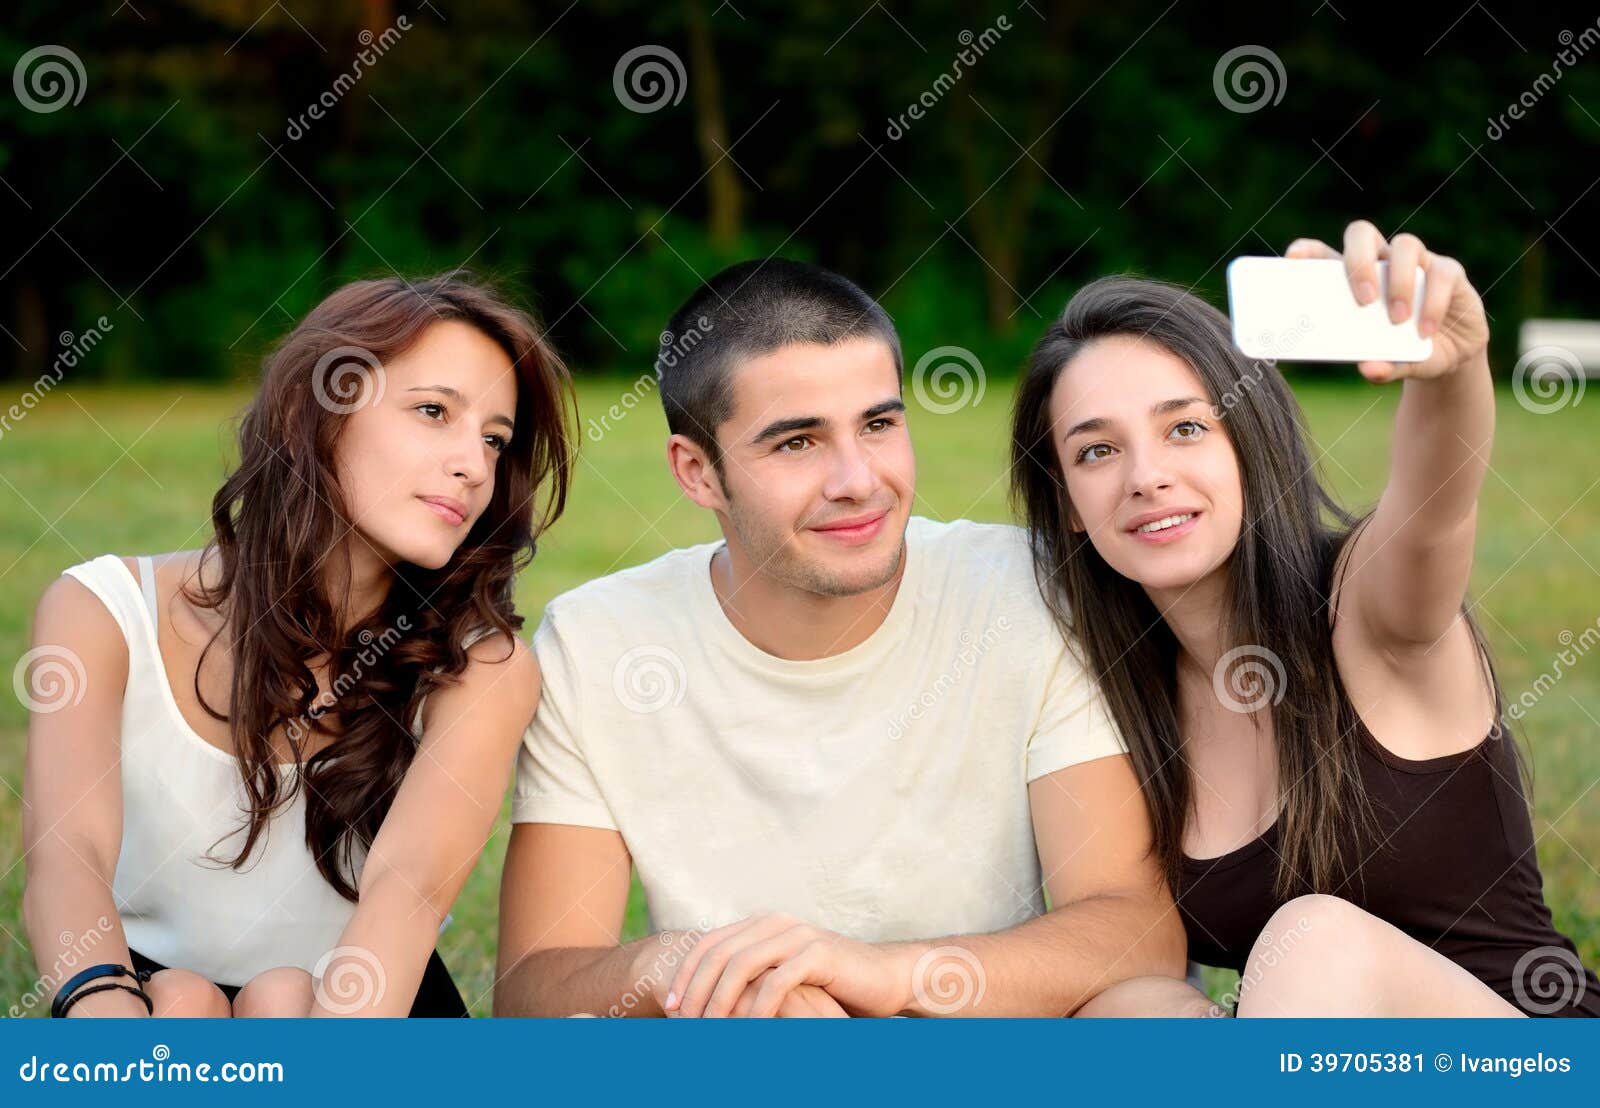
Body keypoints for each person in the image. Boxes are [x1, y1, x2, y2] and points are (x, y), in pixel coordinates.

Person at [494, 259, 1183, 1018]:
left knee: (1158, 1013)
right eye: (797, 443)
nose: (857, 479)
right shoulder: (602, 643)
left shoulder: (1028, 591)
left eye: (879, 425)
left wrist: (882, 974)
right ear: (698, 473)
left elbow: (1136, 932)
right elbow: (532, 992)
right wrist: (696, 966)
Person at [1009, 221, 1600, 1017]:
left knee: (1312, 940)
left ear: (1250, 442)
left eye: (1185, 427)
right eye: (1097, 452)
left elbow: (1434, 512)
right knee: (1135, 1011)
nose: (1146, 477)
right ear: (1068, 508)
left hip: (1528, 1068)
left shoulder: (1365, 609)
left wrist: (1450, 372)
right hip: (1315, 1070)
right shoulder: (1117, 696)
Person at [22, 272, 574, 1017]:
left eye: (494, 440)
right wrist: (105, 1017)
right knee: (186, 1001)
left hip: (368, 1004)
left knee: (281, 998)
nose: (474, 466)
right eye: (434, 411)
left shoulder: (482, 668)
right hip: (142, 995)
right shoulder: (101, 612)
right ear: (318, 410)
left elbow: (406, 895)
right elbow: (67, 854)